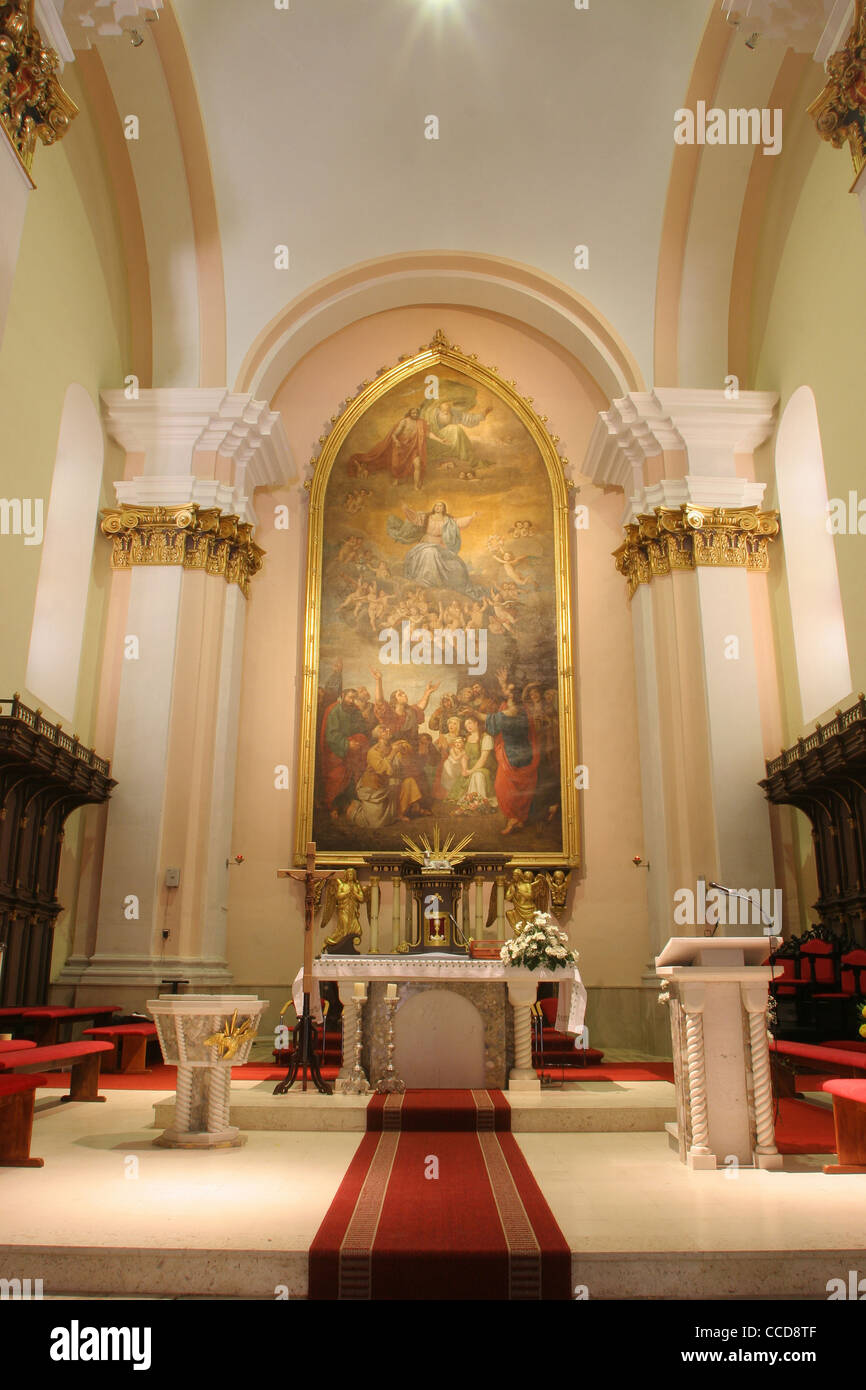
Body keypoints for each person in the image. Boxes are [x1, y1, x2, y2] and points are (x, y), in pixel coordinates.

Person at [386, 500, 483, 598]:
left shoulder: (447, 520)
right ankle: (426, 580)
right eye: (436, 506)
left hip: (440, 546)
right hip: (425, 544)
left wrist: (472, 517)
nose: (438, 507)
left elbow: (458, 523)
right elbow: (415, 518)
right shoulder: (427, 518)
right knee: (430, 552)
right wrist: (406, 509)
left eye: (440, 506)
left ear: (443, 508)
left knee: (451, 561)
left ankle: (437, 581)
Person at [485, 673, 539, 835]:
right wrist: (503, 683)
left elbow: (496, 724)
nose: (506, 693)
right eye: (506, 690)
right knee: (508, 787)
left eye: (509, 691)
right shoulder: (511, 707)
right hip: (513, 754)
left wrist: (475, 715)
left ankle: (514, 819)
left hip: (516, 755)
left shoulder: (517, 711)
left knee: (504, 787)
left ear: (514, 696)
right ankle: (517, 819)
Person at [347, 406, 430, 490]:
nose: (415, 414)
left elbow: (427, 434)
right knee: (397, 465)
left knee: (417, 465)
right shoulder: (404, 422)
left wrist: (440, 440)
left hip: (413, 449)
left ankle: (416, 486)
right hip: (401, 447)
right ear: (410, 413)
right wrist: (396, 441)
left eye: (416, 413)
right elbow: (394, 435)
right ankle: (397, 479)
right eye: (413, 413)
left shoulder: (420, 423)